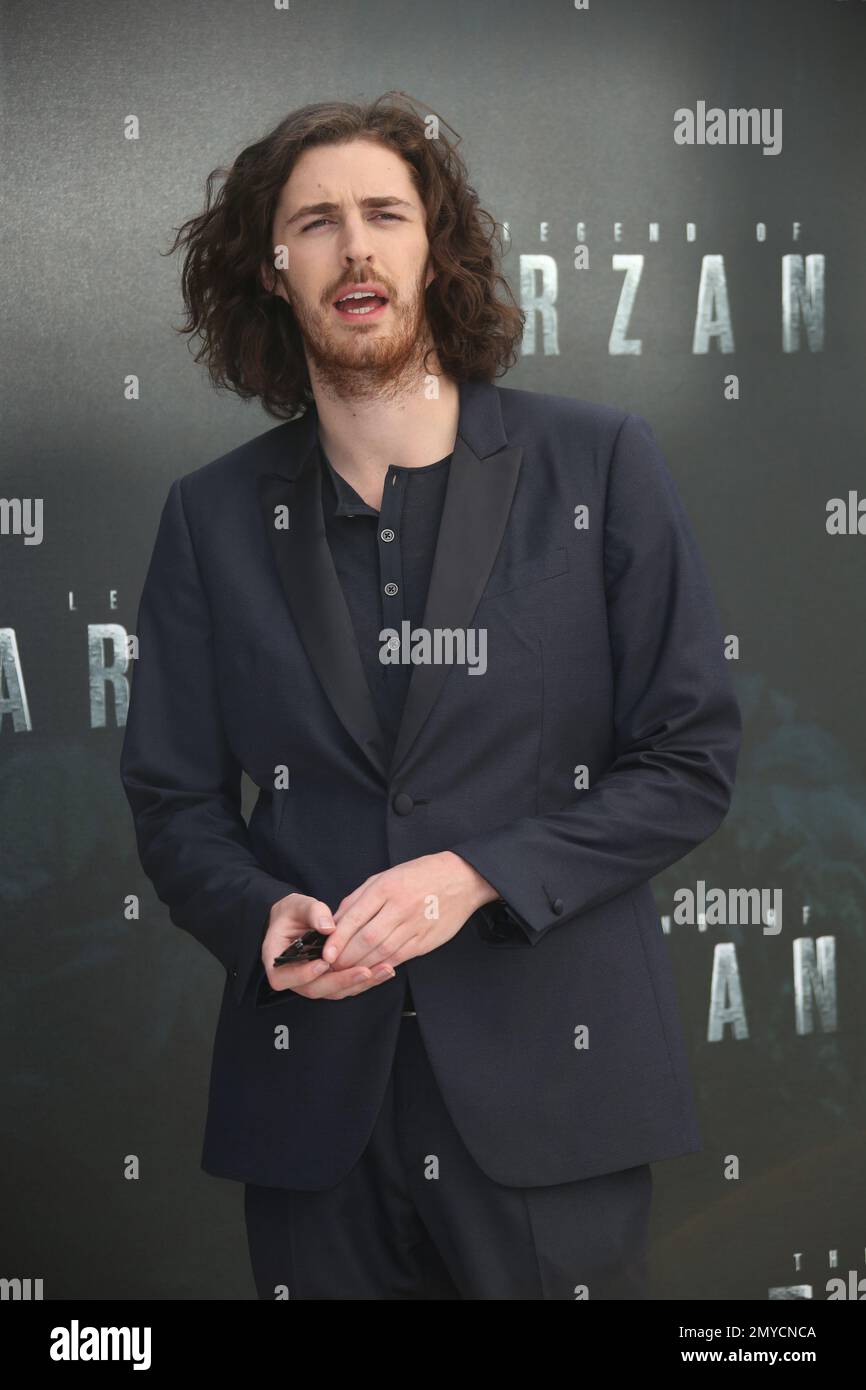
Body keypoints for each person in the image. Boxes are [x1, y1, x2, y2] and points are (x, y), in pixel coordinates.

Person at [120, 92, 742, 1300]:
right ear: (272, 264)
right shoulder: (209, 517)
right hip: (312, 1119)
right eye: (315, 222)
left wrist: (475, 873)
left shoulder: (598, 463)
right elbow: (173, 796)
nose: (353, 246)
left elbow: (687, 759)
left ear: (430, 245)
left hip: (552, 1110)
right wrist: (258, 916)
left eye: (384, 214)